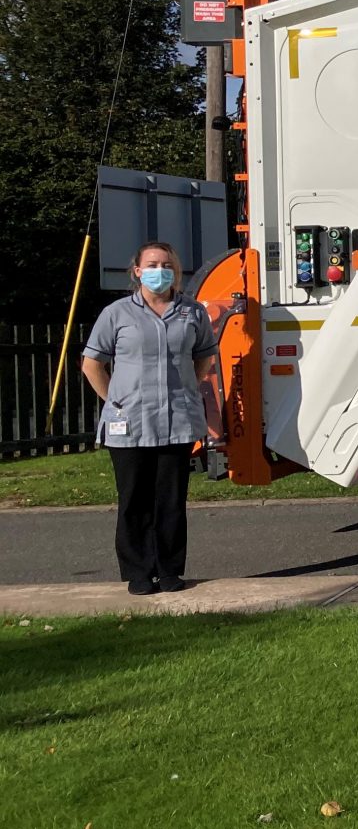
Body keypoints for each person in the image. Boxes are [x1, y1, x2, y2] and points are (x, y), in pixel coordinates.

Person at [79, 242, 222, 596]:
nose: (161, 269)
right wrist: (115, 399)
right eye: (153, 264)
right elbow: (92, 363)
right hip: (129, 424)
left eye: (167, 264)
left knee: (171, 499)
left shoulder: (192, 313)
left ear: (176, 271)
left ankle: (170, 570)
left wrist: (191, 384)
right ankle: (139, 571)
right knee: (133, 500)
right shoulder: (116, 314)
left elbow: (204, 356)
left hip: (176, 420)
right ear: (138, 271)